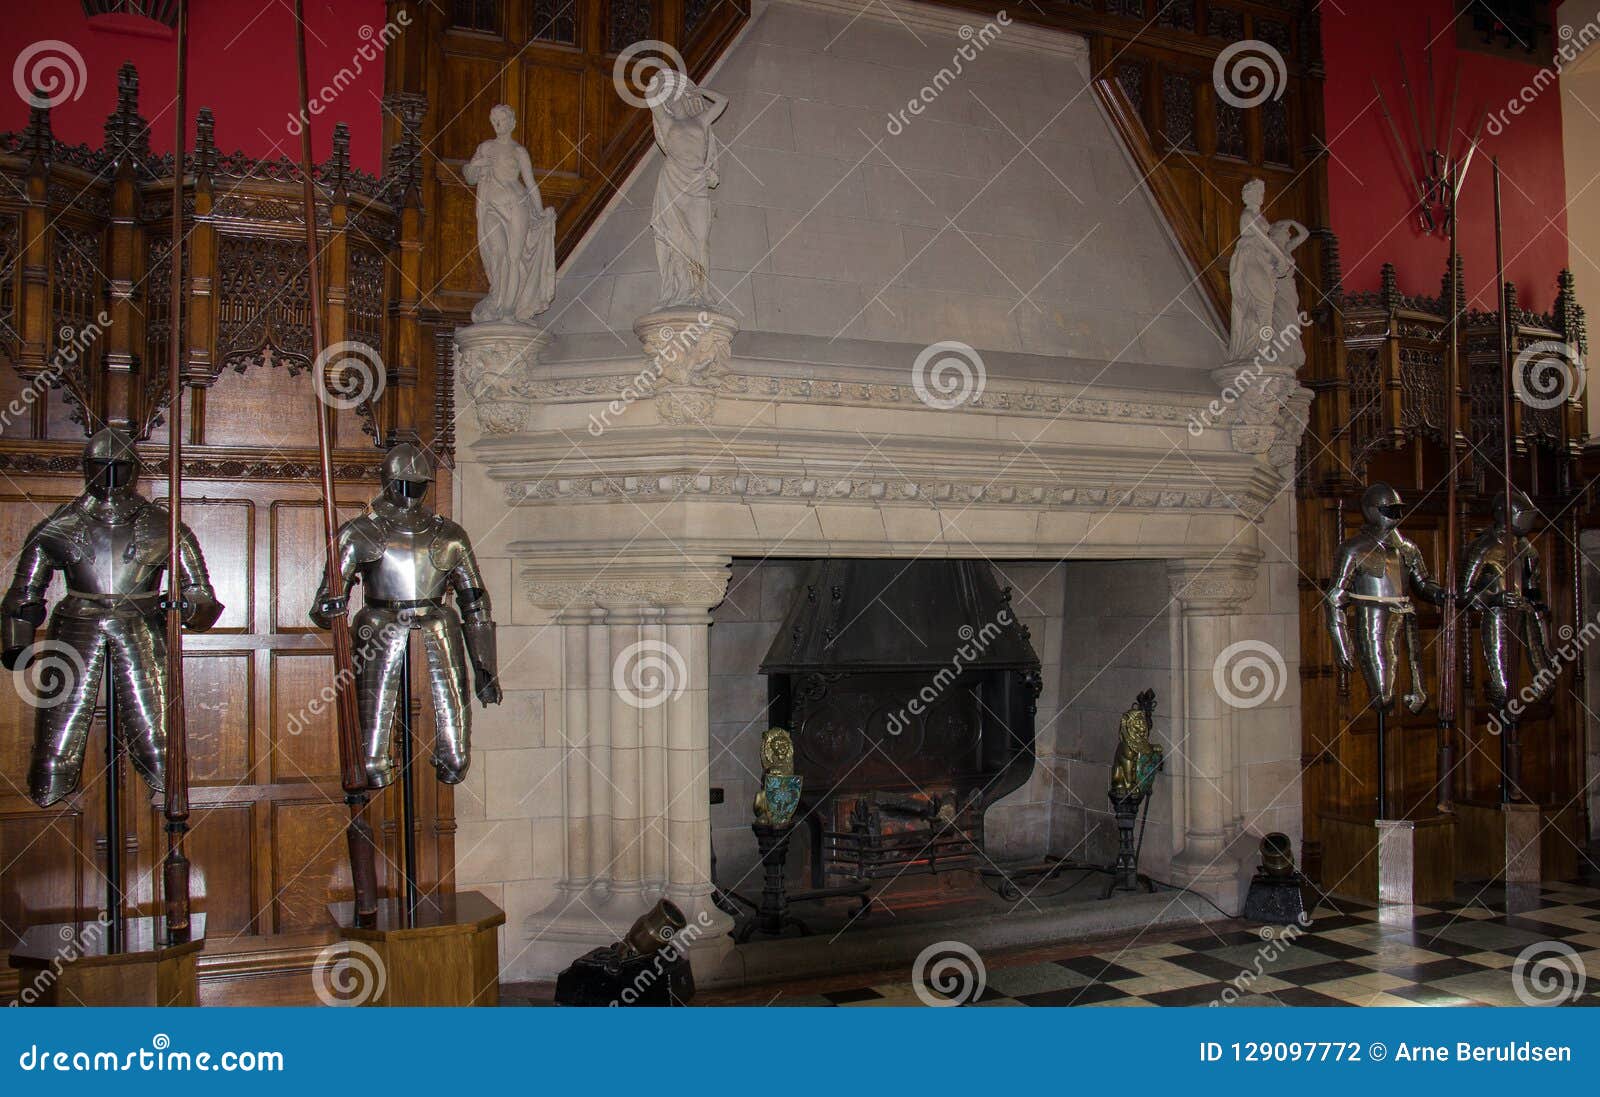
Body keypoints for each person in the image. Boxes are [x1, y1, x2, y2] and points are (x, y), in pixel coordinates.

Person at [1, 428, 221, 806]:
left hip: (142, 625)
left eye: (117, 467)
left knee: (157, 739)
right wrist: (16, 642)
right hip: (76, 625)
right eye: (101, 466)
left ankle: (165, 790)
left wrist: (185, 607)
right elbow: (24, 594)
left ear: (131, 470)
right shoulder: (61, 524)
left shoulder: (163, 525)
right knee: (56, 741)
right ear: (87, 469)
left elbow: (201, 595)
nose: (109, 474)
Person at [310, 444, 501, 787]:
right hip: (380, 624)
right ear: (389, 482)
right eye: (403, 483)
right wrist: (331, 607)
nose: (410, 493)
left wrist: (486, 670)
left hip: (439, 623)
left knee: (457, 761)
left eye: (417, 484)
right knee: (370, 765)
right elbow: (324, 603)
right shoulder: (360, 531)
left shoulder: (450, 534)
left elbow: (474, 601)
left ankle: (448, 756)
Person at [465, 104, 556, 324]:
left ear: (512, 123)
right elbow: (469, 177)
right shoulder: (485, 148)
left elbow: (531, 183)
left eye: (502, 120)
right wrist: (476, 164)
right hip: (491, 208)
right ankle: (497, 300)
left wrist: (541, 210)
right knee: (497, 252)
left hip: (518, 205)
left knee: (514, 258)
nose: (498, 124)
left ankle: (508, 312)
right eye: (494, 120)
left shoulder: (518, 151)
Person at [646, 71, 728, 308]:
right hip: (672, 180)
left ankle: (702, 290)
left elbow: (723, 101)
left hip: (696, 182)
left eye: (677, 95)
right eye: (669, 97)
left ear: (686, 98)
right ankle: (678, 291)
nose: (672, 100)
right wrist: (660, 81)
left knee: (700, 239)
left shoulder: (700, 120)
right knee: (675, 237)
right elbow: (651, 96)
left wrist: (699, 91)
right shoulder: (667, 121)